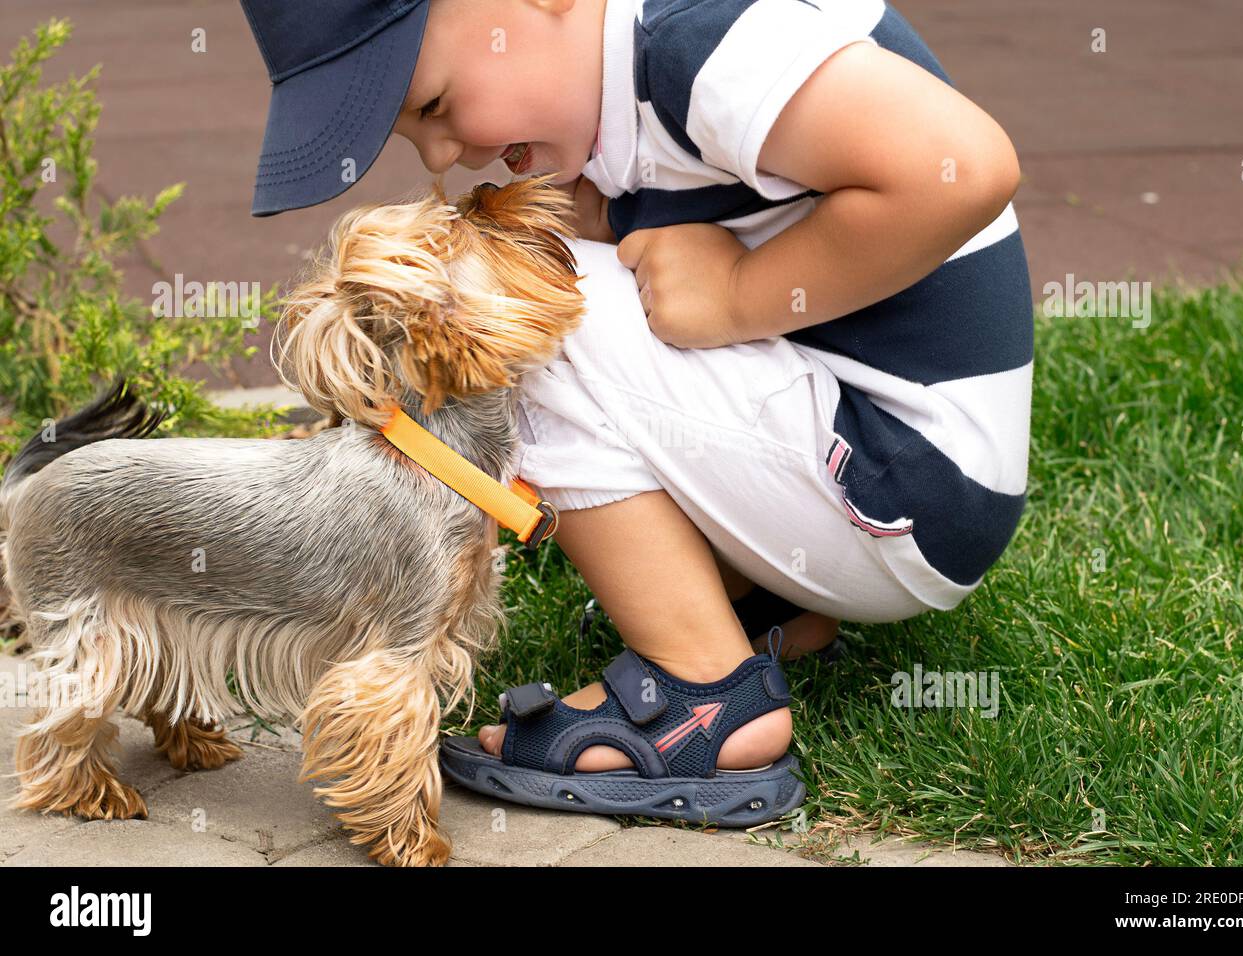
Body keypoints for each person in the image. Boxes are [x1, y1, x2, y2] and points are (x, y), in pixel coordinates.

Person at [238, 0, 1032, 822]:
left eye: (435, 104)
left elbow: (963, 167)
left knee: (525, 311)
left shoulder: (703, 43)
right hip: (894, 477)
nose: (443, 155)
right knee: (556, 273)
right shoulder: (649, 60)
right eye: (416, 134)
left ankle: (705, 698)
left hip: (902, 484)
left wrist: (734, 295)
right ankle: (767, 606)